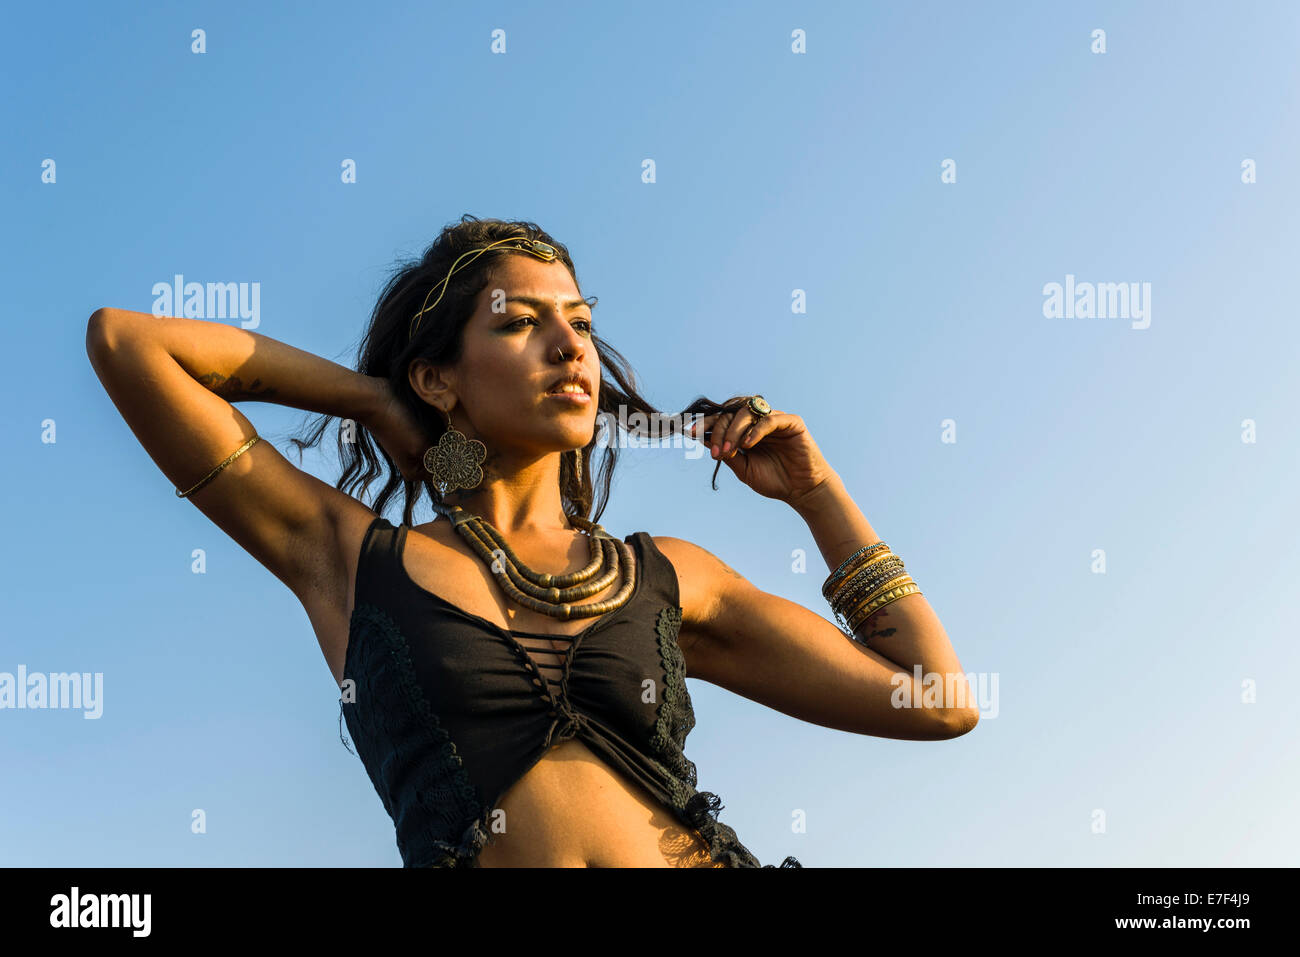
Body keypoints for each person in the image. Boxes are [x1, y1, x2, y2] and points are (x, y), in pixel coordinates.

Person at [84, 214, 978, 868]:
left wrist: (818, 498)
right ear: (439, 376)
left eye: (581, 323)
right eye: (519, 322)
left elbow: (935, 699)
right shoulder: (353, 558)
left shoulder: (661, 574)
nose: (569, 347)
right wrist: (373, 399)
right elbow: (131, 344)